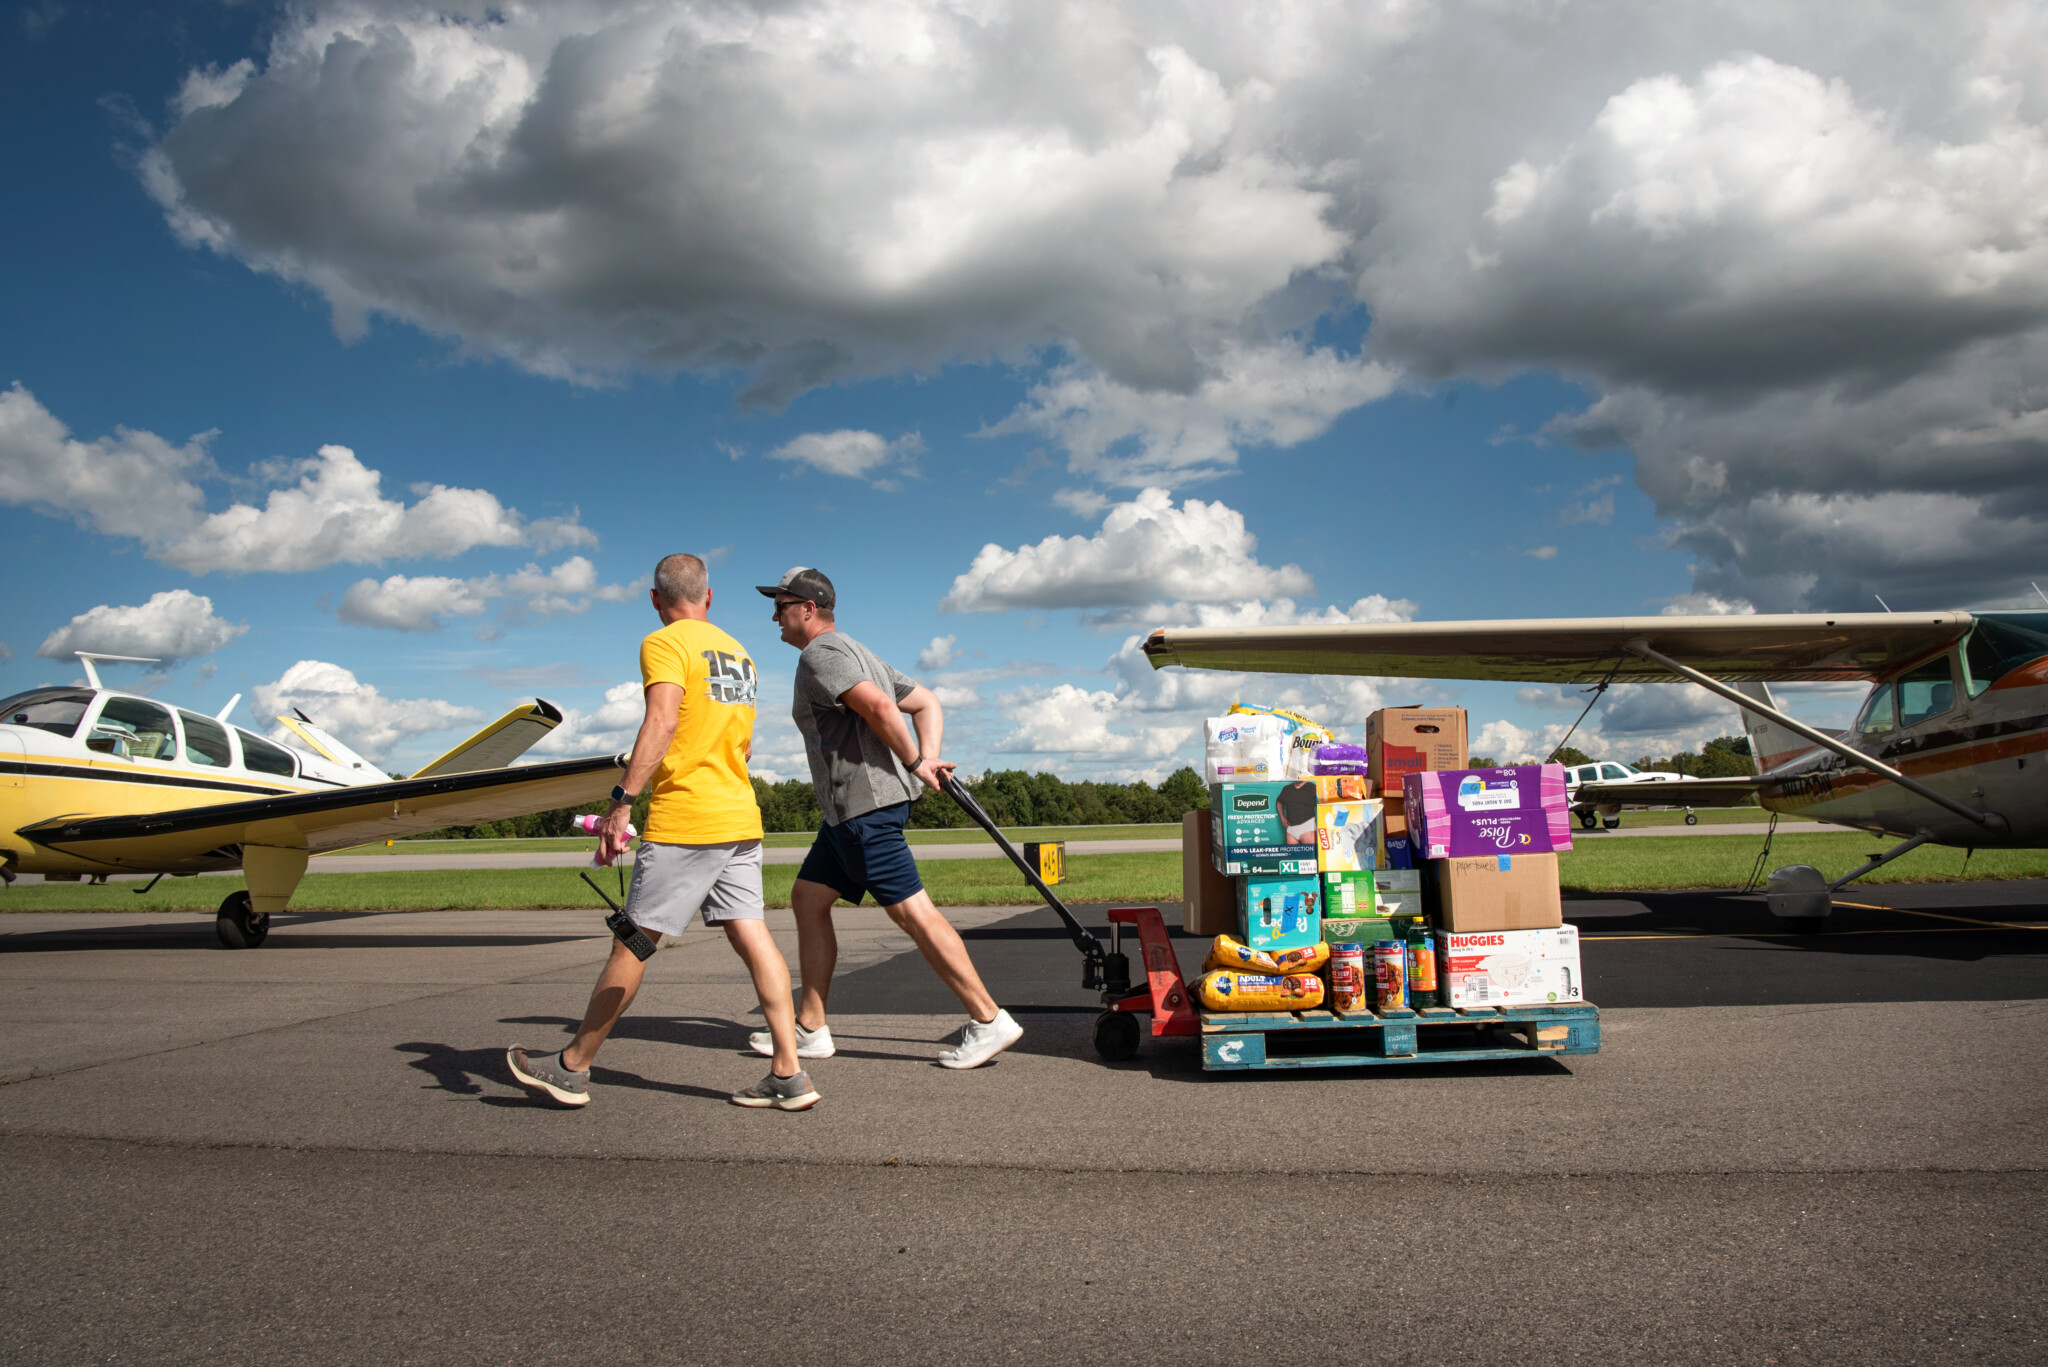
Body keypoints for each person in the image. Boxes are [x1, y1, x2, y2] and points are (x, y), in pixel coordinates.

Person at [508, 553, 817, 1111]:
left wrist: (622, 801)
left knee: (635, 937)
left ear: (655, 599)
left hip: (689, 818)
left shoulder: (665, 643)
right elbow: (741, 742)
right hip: (739, 814)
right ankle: (789, 1072)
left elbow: (662, 720)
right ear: (709, 596)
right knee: (753, 934)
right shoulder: (738, 652)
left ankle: (573, 1067)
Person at [748, 567, 1022, 1069]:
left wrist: (918, 763)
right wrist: (928, 757)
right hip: (847, 814)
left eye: (781, 605)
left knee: (914, 914)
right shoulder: (858, 652)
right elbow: (925, 701)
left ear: (808, 609)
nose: (774, 615)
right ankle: (810, 1026)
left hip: (864, 809)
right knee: (808, 899)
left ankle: (988, 1020)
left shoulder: (821, 654)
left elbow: (877, 705)